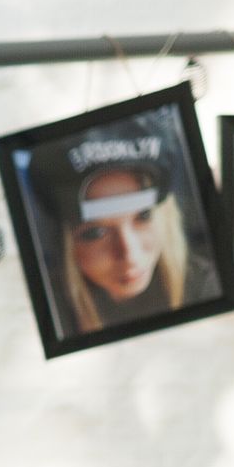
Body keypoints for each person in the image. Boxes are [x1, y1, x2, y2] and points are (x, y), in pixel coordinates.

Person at [47, 132, 197, 334]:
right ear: (65, 245)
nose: (129, 255)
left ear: (167, 217)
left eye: (143, 216)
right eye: (95, 233)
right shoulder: (51, 316)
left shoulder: (205, 285)